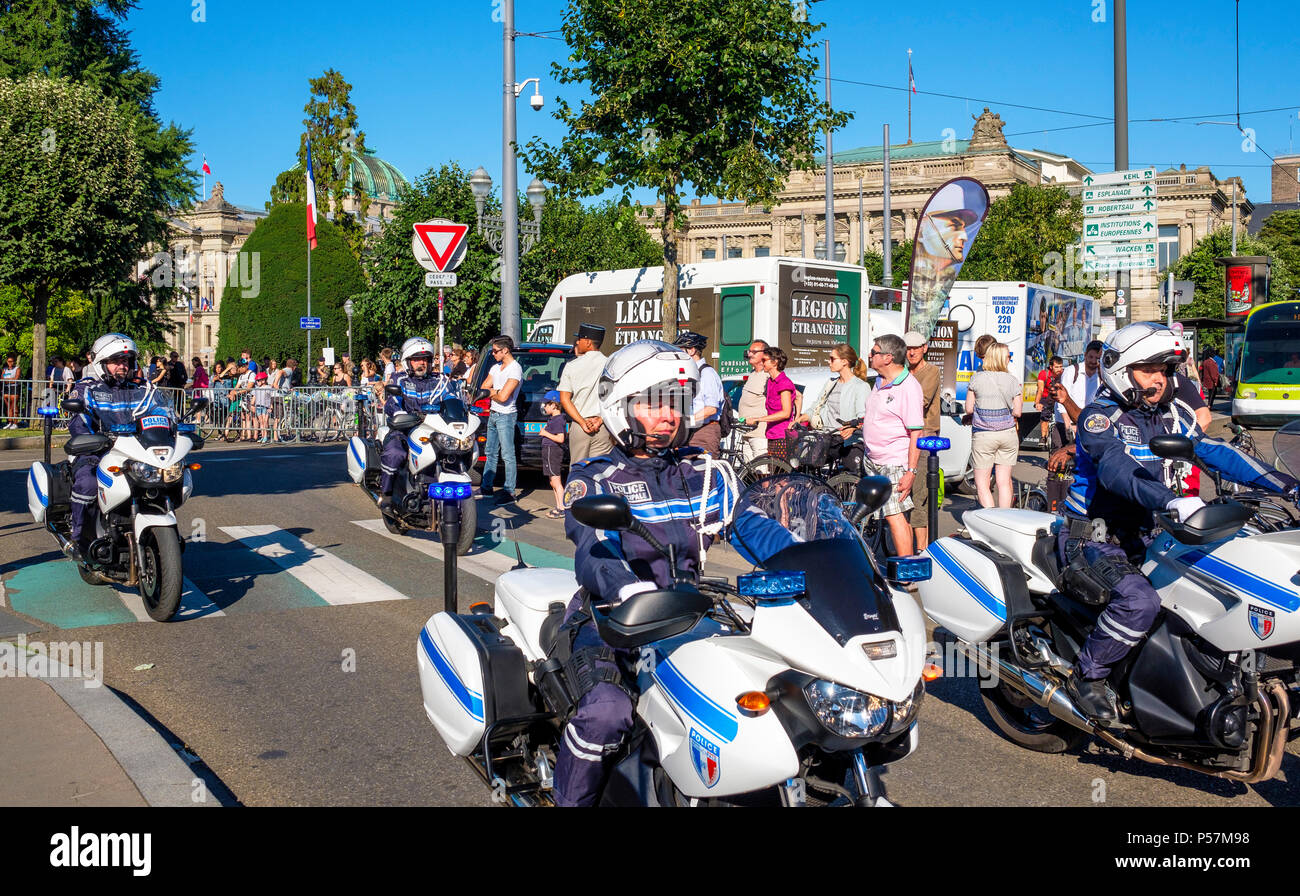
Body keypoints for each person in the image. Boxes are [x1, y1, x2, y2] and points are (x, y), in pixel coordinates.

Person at [1060, 322, 1298, 722]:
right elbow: (1116, 470)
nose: (1160, 379)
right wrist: (1173, 501)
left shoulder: (1170, 414)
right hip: (1094, 539)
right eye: (1149, 369)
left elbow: (1216, 453)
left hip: (1152, 533)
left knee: (1222, 580)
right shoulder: (1099, 418)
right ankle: (1087, 676)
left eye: (1166, 370)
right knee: (1140, 602)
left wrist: (1288, 486)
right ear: (1120, 369)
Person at [555, 339, 736, 806]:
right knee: (607, 713)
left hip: (691, 618)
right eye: (654, 403)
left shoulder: (701, 473)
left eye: (676, 403)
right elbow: (593, 550)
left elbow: (759, 524)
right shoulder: (594, 477)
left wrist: (819, 557)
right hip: (611, 623)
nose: (669, 415)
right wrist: (628, 588)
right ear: (621, 407)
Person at [64, 334, 174, 558]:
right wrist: (92, 440)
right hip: (96, 451)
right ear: (101, 363)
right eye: (116, 361)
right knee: (87, 482)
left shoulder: (144, 388)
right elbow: (78, 422)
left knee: (170, 478)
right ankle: (79, 538)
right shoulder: (87, 388)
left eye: (126, 361)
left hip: (135, 452)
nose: (122, 366)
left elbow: (163, 413)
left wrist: (177, 430)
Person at [860, 334, 923, 556]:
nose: (870, 355)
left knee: (895, 516)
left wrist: (911, 471)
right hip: (872, 460)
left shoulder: (908, 387)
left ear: (887, 358)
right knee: (887, 516)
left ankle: (907, 574)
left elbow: (916, 432)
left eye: (874, 351)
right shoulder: (878, 381)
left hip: (894, 461)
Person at [378, 338, 455, 509]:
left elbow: (452, 398)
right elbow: (393, 401)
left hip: (434, 431)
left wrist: (461, 412)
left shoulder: (441, 381)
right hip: (404, 429)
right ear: (407, 362)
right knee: (395, 453)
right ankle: (387, 493)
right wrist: (399, 414)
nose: (422, 362)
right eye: (417, 359)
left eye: (425, 358)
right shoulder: (400, 380)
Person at [966, 342, 1023, 509]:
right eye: (1008, 357)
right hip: (1008, 434)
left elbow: (969, 408)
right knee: (1004, 482)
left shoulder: (976, 378)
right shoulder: (1012, 380)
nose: (1008, 360)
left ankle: (990, 519)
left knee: (982, 483)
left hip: (984, 435)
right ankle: (1004, 519)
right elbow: (1018, 412)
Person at [793, 343, 869, 457]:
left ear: (844, 361)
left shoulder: (860, 386)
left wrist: (852, 428)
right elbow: (816, 406)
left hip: (849, 443)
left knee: (847, 474)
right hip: (828, 438)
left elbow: (863, 417)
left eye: (832, 359)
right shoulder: (831, 383)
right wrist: (799, 419)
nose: (829, 362)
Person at [903, 332, 942, 550]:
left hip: (924, 436)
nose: (911, 351)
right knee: (904, 495)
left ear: (925, 348)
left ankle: (921, 550)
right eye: (908, 348)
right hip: (902, 436)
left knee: (919, 496)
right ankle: (908, 547)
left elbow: (922, 401)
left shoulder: (932, 371)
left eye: (916, 347)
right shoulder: (904, 372)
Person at [558, 323, 611, 465]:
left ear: (587, 342)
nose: (577, 342)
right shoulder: (610, 364)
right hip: (603, 425)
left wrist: (582, 422)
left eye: (580, 338)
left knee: (578, 470)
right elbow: (614, 398)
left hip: (580, 425)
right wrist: (600, 420)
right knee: (601, 470)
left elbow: (564, 399)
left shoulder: (572, 365)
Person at [481, 336, 522, 504]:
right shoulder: (495, 367)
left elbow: (504, 397)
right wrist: (496, 391)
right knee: (490, 452)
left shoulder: (515, 369)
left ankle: (509, 491)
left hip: (506, 415)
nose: (493, 354)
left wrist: (493, 392)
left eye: (496, 351)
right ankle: (486, 486)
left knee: (507, 454)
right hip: (494, 413)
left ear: (505, 350)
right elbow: (484, 387)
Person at [673, 330, 725, 456]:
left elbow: (711, 408)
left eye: (680, 350)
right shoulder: (691, 373)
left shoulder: (707, 373)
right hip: (691, 431)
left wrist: (688, 420)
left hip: (704, 431)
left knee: (704, 472)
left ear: (691, 350)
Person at [751, 347, 797, 460]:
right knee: (774, 473)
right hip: (771, 434)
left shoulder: (784, 383)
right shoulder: (770, 381)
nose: (762, 363)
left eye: (764, 360)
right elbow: (799, 396)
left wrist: (758, 419)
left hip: (782, 435)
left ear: (775, 362)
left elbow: (786, 413)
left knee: (782, 473)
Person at [1058, 340, 1103, 445]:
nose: (1093, 361)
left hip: (1089, 424)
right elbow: (1061, 400)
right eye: (1091, 357)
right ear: (1085, 355)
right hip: (1067, 422)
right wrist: (1068, 426)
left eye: (1097, 358)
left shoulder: (1101, 375)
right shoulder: (1071, 371)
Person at [735, 340, 770, 463]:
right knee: (749, 473)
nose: (749, 354)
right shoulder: (752, 374)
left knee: (762, 471)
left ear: (765, 354)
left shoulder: (768, 376)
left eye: (754, 352)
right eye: (749, 351)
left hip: (759, 434)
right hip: (746, 432)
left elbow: (792, 396)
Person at [538, 390, 567, 519]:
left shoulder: (558, 420)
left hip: (552, 450)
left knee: (556, 481)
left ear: (554, 405)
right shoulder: (553, 419)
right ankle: (558, 506)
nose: (544, 406)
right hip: (549, 450)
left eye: (547, 404)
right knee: (552, 481)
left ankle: (562, 507)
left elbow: (560, 438)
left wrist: (545, 433)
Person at [1035, 356, 1064, 449]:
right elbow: (1040, 389)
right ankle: (1043, 437)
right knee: (1045, 415)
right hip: (1046, 397)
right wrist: (1037, 403)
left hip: (1058, 397)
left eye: (1061, 367)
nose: (1059, 369)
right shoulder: (1044, 374)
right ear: (1051, 367)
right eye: (1057, 367)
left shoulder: (1064, 374)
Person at [2, 353, 22, 428]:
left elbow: (16, 379)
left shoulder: (17, 369)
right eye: (8, 361)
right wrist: (9, 380)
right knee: (8, 407)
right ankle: (10, 422)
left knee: (14, 406)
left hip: (14, 388)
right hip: (7, 388)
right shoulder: (4, 369)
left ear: (14, 362)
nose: (10, 363)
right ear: (7, 362)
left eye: (11, 361)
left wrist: (8, 380)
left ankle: (15, 423)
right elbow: (2, 379)